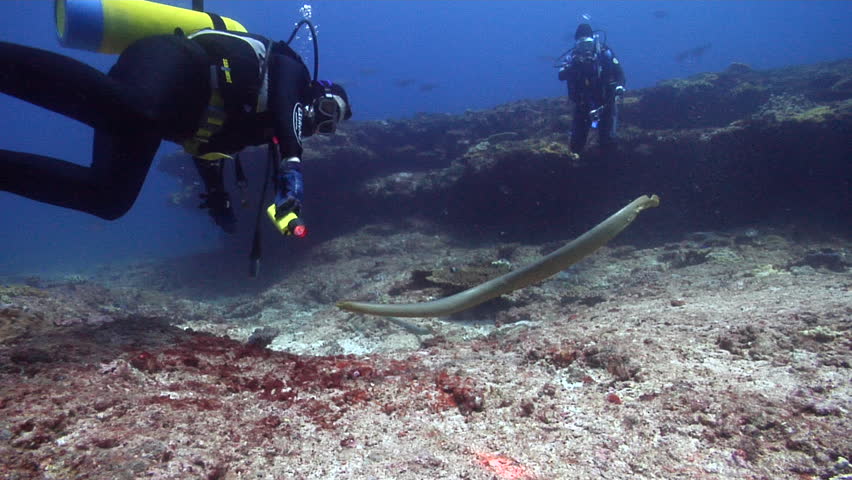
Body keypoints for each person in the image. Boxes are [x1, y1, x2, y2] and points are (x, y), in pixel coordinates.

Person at [0, 24, 351, 234]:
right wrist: (291, 162)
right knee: (137, 111)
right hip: (173, 61)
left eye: (328, 127)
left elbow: (206, 146)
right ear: (317, 90)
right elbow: (285, 100)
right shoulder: (292, 68)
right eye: (326, 110)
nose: (319, 123)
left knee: (110, 199)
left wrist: (217, 196)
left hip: (152, 115)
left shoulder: (260, 127)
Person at [558, 23, 625, 155]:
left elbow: (620, 74)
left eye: (588, 44)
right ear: (576, 45)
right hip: (583, 105)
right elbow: (561, 75)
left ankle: (607, 169)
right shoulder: (572, 58)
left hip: (606, 103)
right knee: (576, 144)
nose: (586, 49)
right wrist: (576, 66)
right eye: (581, 45)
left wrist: (620, 87)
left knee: (608, 141)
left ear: (594, 41)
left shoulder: (605, 54)